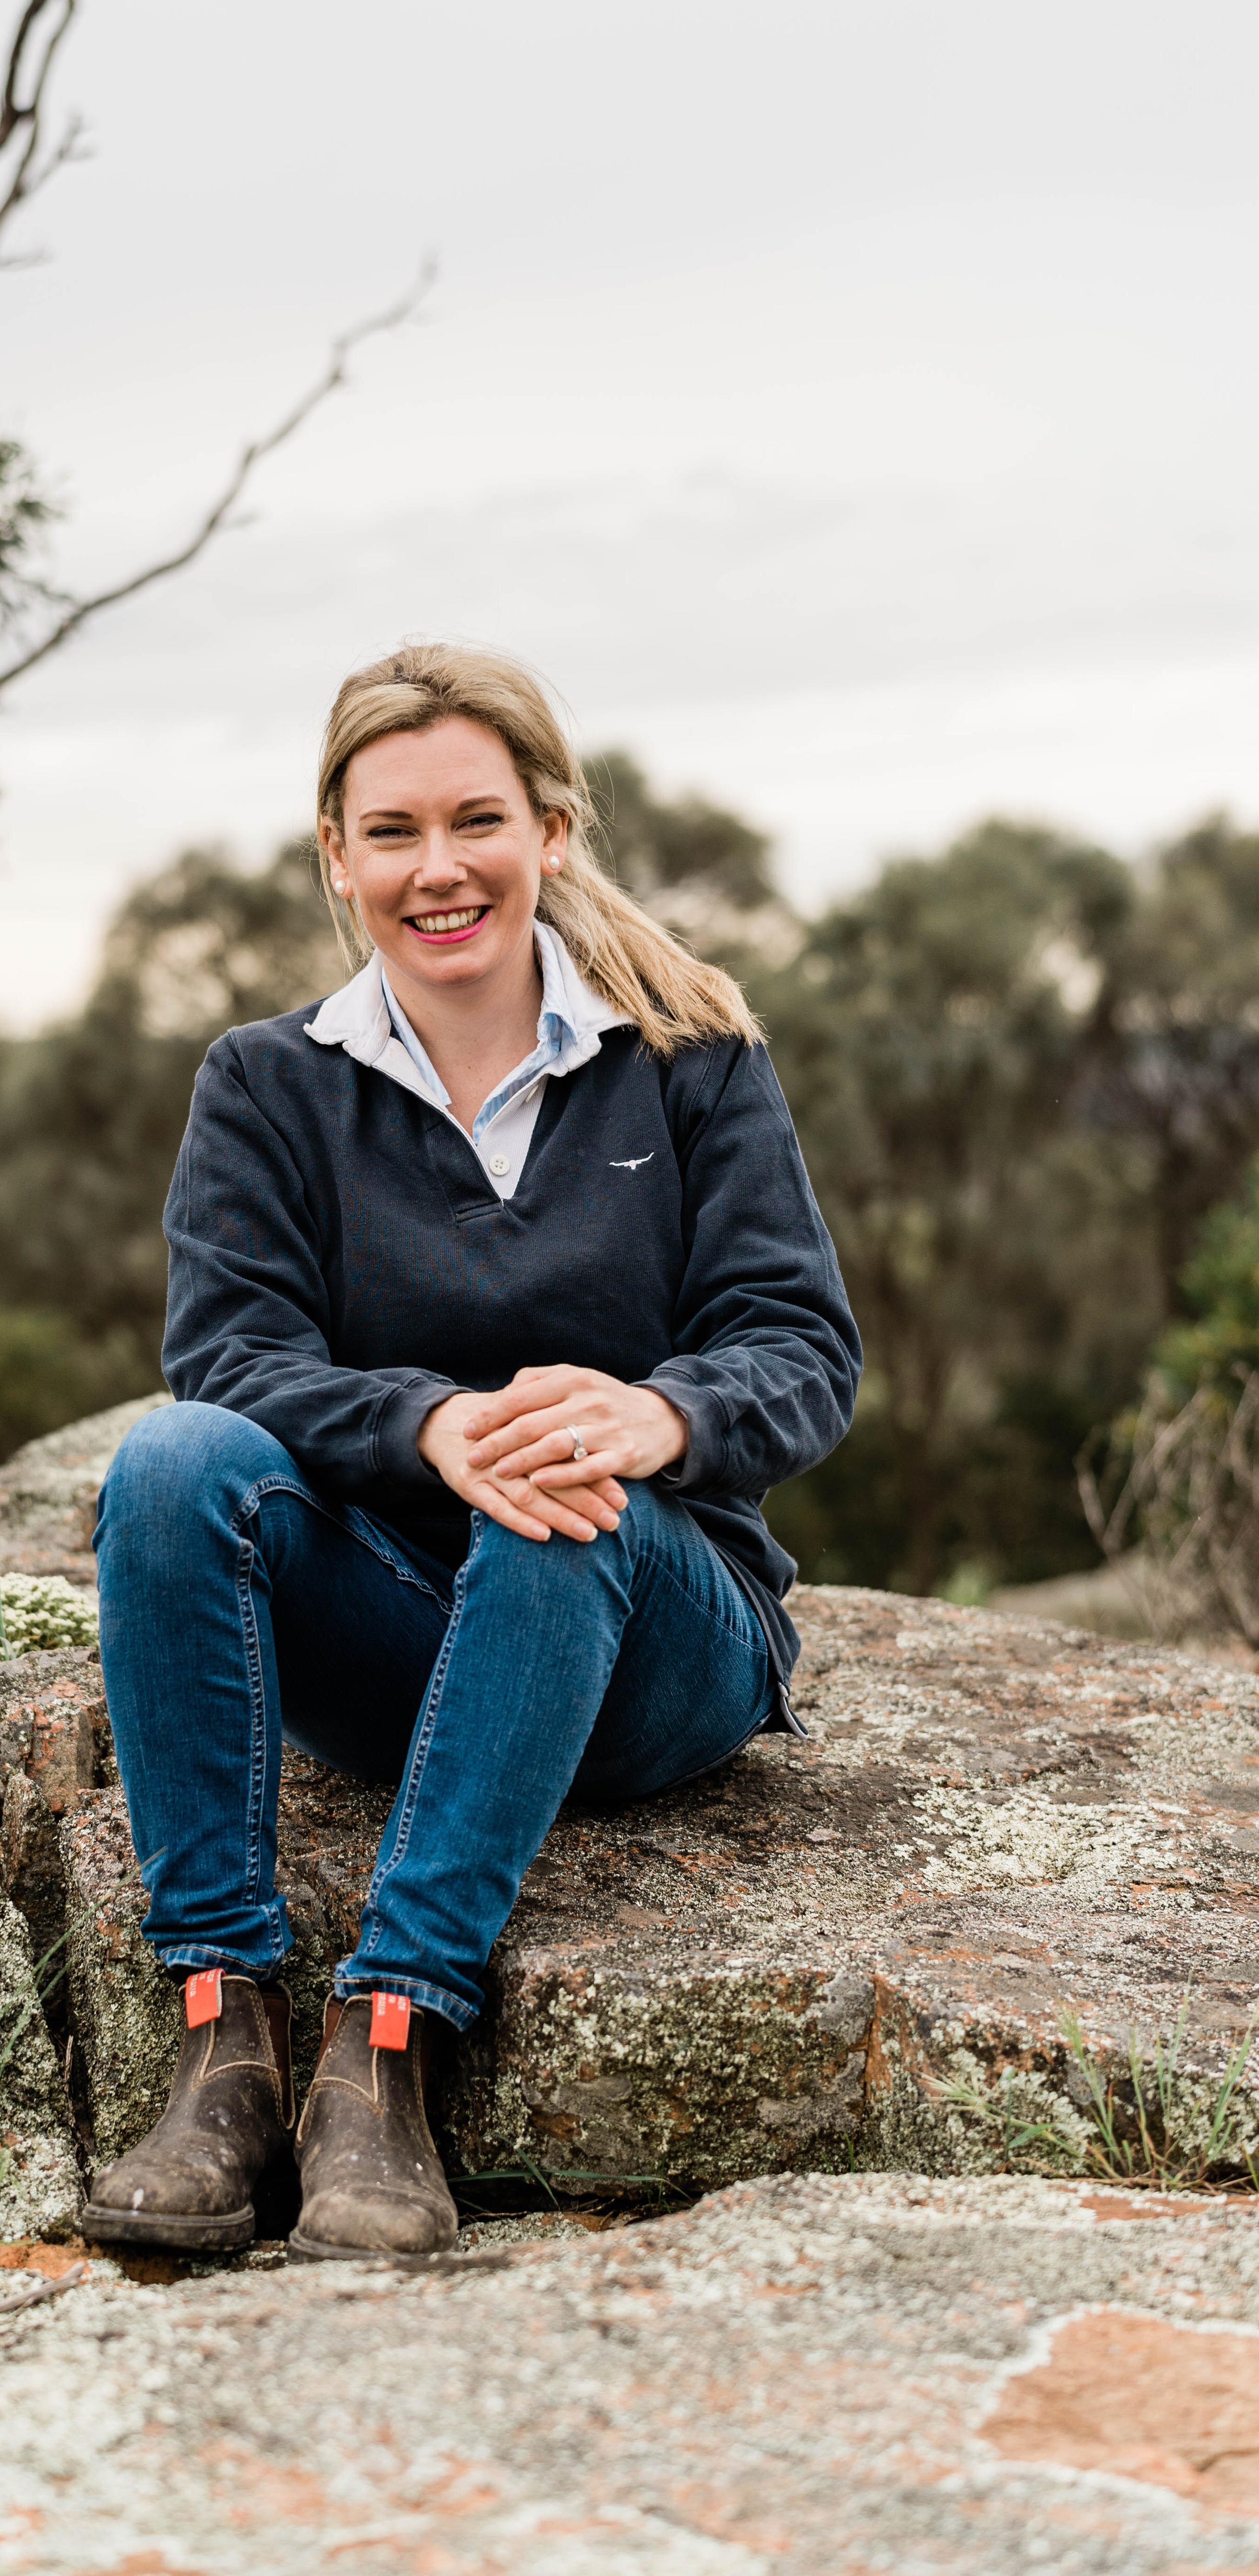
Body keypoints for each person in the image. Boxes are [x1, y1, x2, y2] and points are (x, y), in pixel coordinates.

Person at [82, 643, 860, 2265]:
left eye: (478, 820)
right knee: (171, 1465)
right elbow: (229, 1360)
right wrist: (433, 1427)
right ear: (336, 857)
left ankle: (390, 2046)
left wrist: (656, 1419)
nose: (438, 869)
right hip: (397, 1632)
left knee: (562, 1485)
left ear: (554, 831)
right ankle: (225, 2039)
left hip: (655, 1637)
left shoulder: (692, 1058)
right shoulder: (267, 1086)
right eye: (393, 832)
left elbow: (804, 1352)